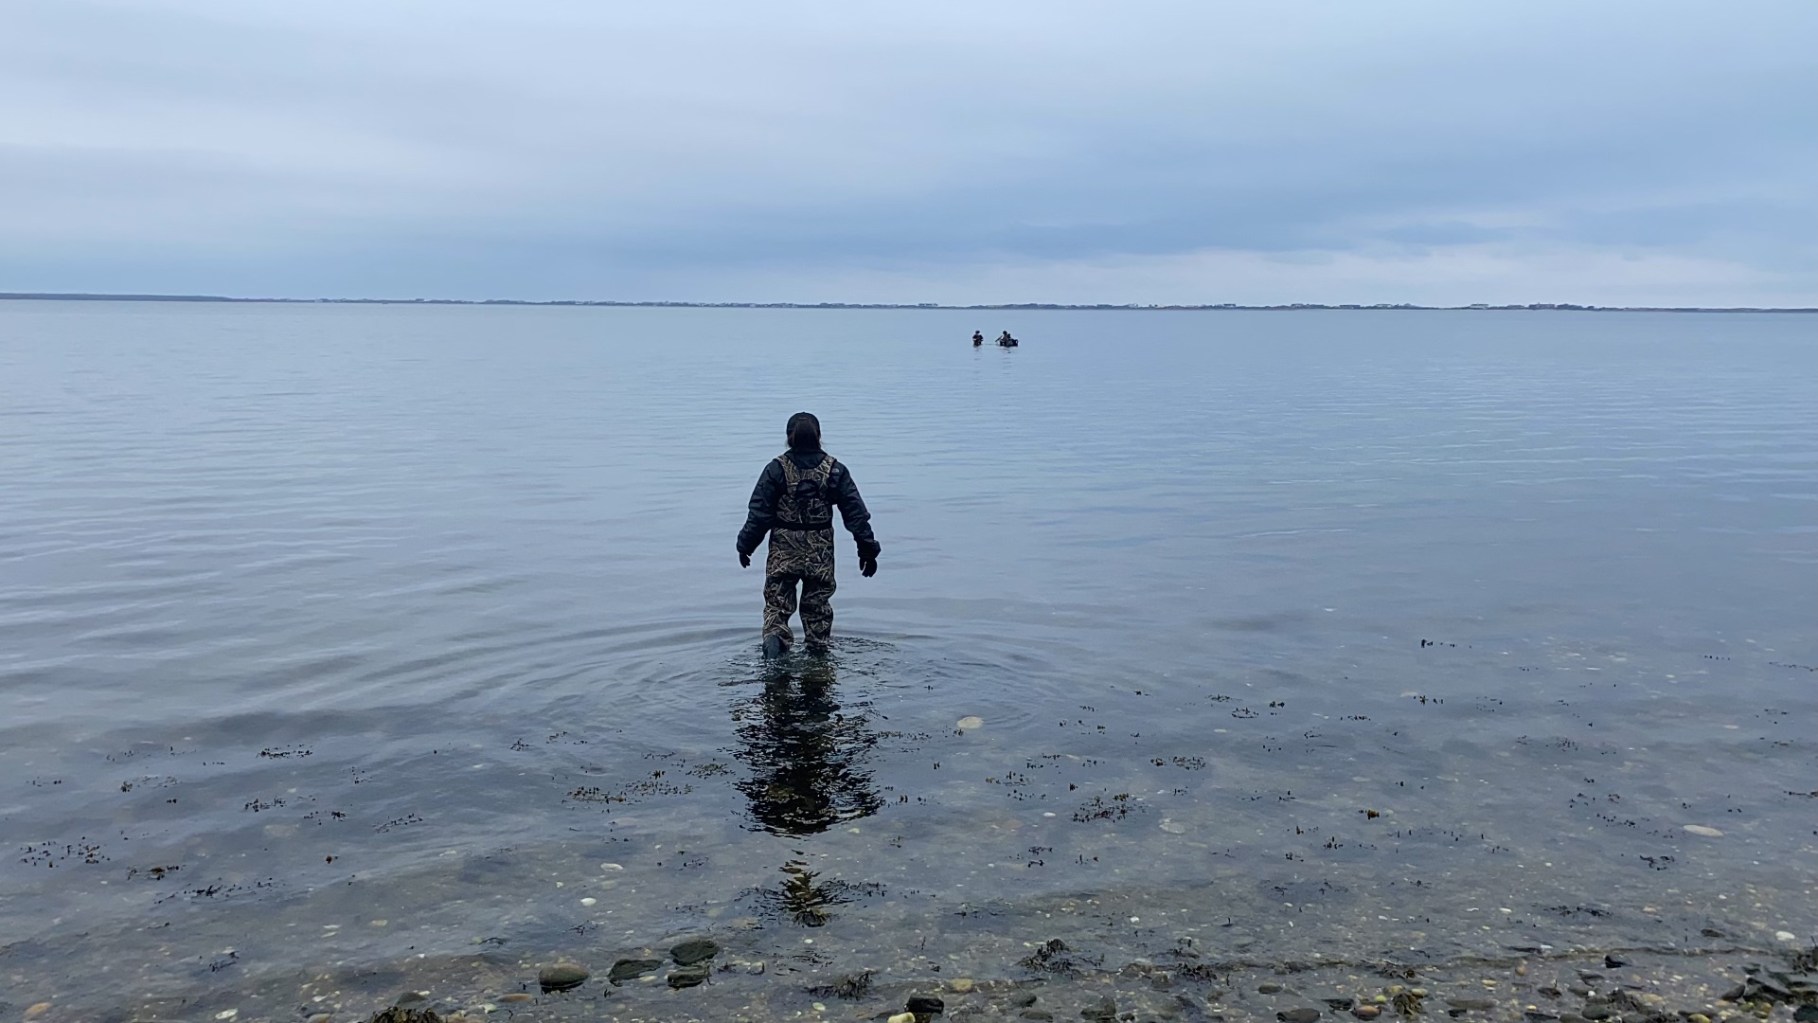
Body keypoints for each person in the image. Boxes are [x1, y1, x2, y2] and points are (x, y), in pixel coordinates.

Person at [737, 412, 881, 657]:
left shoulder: (776, 469)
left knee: (777, 607)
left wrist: (745, 545)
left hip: (784, 550)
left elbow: (759, 514)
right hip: (820, 552)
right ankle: (817, 661)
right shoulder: (835, 470)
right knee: (817, 610)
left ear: (788, 438)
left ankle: (774, 647)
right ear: (819, 437)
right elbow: (855, 513)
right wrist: (867, 548)